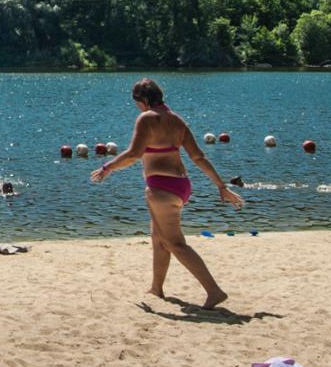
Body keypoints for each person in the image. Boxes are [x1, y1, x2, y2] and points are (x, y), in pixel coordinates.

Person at [91, 79, 244, 309]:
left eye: (137, 103)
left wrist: (107, 168)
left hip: (162, 188)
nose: (137, 107)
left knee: (175, 243)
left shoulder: (147, 118)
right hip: (181, 186)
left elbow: (134, 154)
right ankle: (156, 288)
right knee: (158, 239)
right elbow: (198, 157)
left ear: (143, 100)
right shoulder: (177, 120)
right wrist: (220, 185)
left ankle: (214, 291)